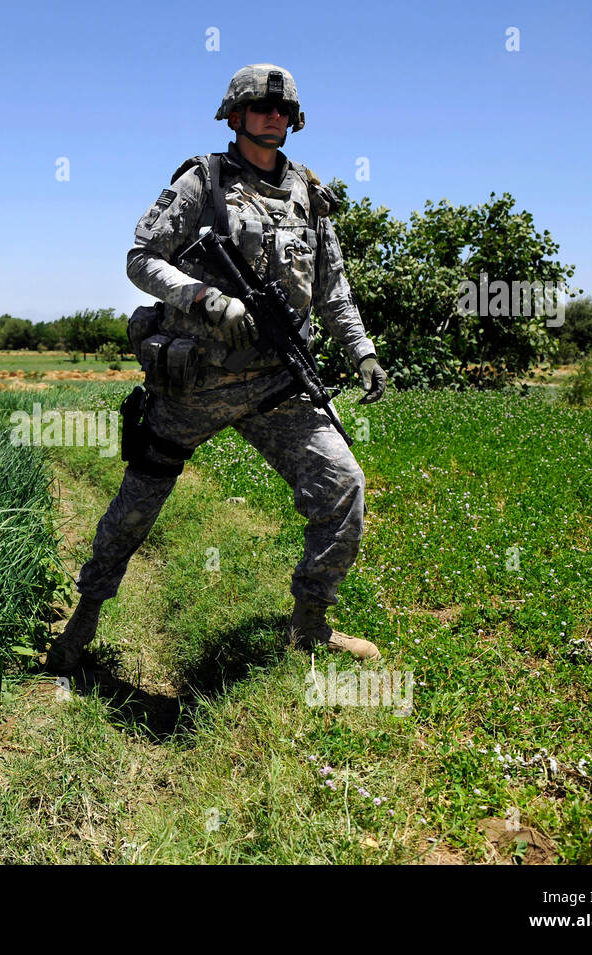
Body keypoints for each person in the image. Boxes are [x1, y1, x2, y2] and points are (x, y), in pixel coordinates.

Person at [46, 64, 388, 676]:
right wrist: (203, 297)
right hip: (196, 380)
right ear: (235, 116)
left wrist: (361, 349)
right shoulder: (203, 181)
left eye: (282, 110)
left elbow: (333, 289)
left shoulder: (310, 194)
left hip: (278, 382)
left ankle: (310, 626)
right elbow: (141, 259)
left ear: (294, 120)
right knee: (136, 505)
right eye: (259, 107)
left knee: (344, 488)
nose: (272, 117)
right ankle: (85, 617)